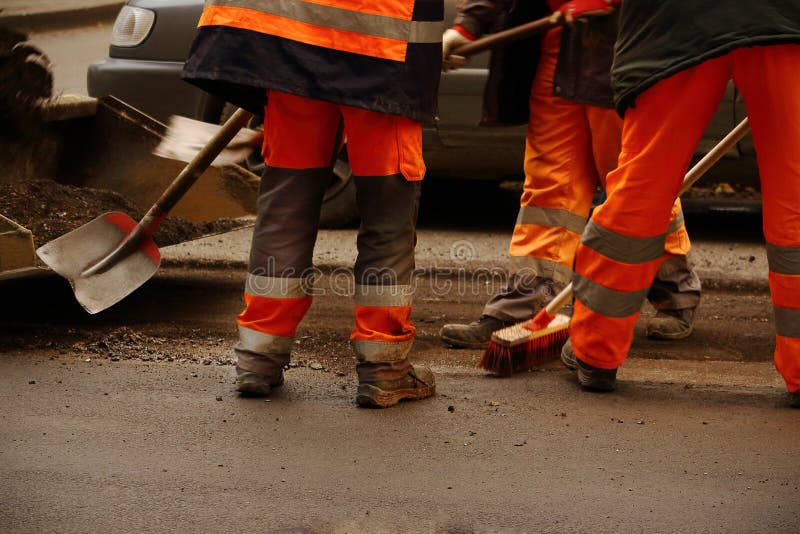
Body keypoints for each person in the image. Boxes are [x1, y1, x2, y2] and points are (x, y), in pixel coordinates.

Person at [181, 1, 444, 408]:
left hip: (287, 44)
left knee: (286, 203)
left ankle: (258, 357)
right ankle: (384, 368)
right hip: (380, 52)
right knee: (387, 211)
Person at [561, 1, 800, 408]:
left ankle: (596, 350)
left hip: (674, 23)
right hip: (783, 19)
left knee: (642, 186)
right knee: (796, 195)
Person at [438, 0, 702, 351]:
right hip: (557, 55)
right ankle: (528, 300)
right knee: (549, 192)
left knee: (635, 185)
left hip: (619, 54)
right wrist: (467, 26)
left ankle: (673, 287)